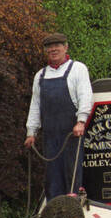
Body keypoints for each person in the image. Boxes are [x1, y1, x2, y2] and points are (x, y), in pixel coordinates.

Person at [24, 34, 93, 201]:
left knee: (71, 170)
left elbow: (86, 96)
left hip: (71, 131)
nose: (53, 49)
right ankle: (54, 207)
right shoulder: (40, 75)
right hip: (49, 133)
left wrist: (81, 121)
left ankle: (73, 205)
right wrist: (31, 132)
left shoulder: (78, 69)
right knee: (52, 174)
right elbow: (35, 105)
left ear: (65, 47)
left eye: (57, 46)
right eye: (50, 47)